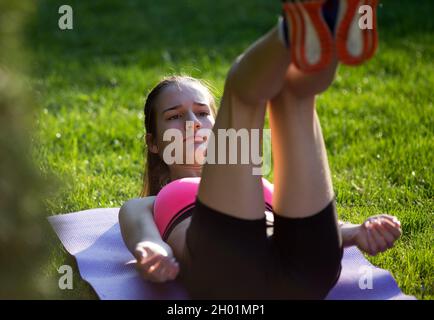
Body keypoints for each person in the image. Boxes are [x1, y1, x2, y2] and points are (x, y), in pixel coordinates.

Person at [119, 0, 401, 299]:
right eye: (175, 117)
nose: (193, 124)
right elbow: (145, 238)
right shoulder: (145, 203)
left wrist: (357, 231)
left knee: (295, 92)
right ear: (153, 142)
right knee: (241, 91)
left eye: (203, 113)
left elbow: (296, 225)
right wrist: (151, 252)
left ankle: (325, 32)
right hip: (229, 273)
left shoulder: (263, 186)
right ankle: (308, 25)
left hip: (306, 271)